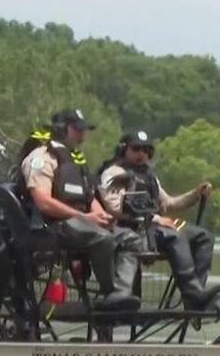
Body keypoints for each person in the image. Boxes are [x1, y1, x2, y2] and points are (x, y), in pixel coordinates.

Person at [20, 109, 145, 311]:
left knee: (130, 239)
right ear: (62, 129)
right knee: (102, 238)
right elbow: (43, 201)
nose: (83, 134)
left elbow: (89, 196)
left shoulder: (75, 161)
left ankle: (121, 293)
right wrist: (85, 217)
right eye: (78, 129)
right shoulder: (42, 158)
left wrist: (101, 215)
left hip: (82, 222)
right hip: (52, 225)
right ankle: (109, 292)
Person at [97, 129, 220, 311]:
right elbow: (115, 208)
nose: (142, 154)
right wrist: (155, 218)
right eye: (136, 149)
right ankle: (192, 292)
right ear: (124, 149)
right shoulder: (114, 173)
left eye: (146, 150)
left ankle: (196, 292)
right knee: (175, 235)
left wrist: (196, 194)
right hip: (131, 229)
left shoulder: (149, 176)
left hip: (153, 228)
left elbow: (169, 203)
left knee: (204, 237)